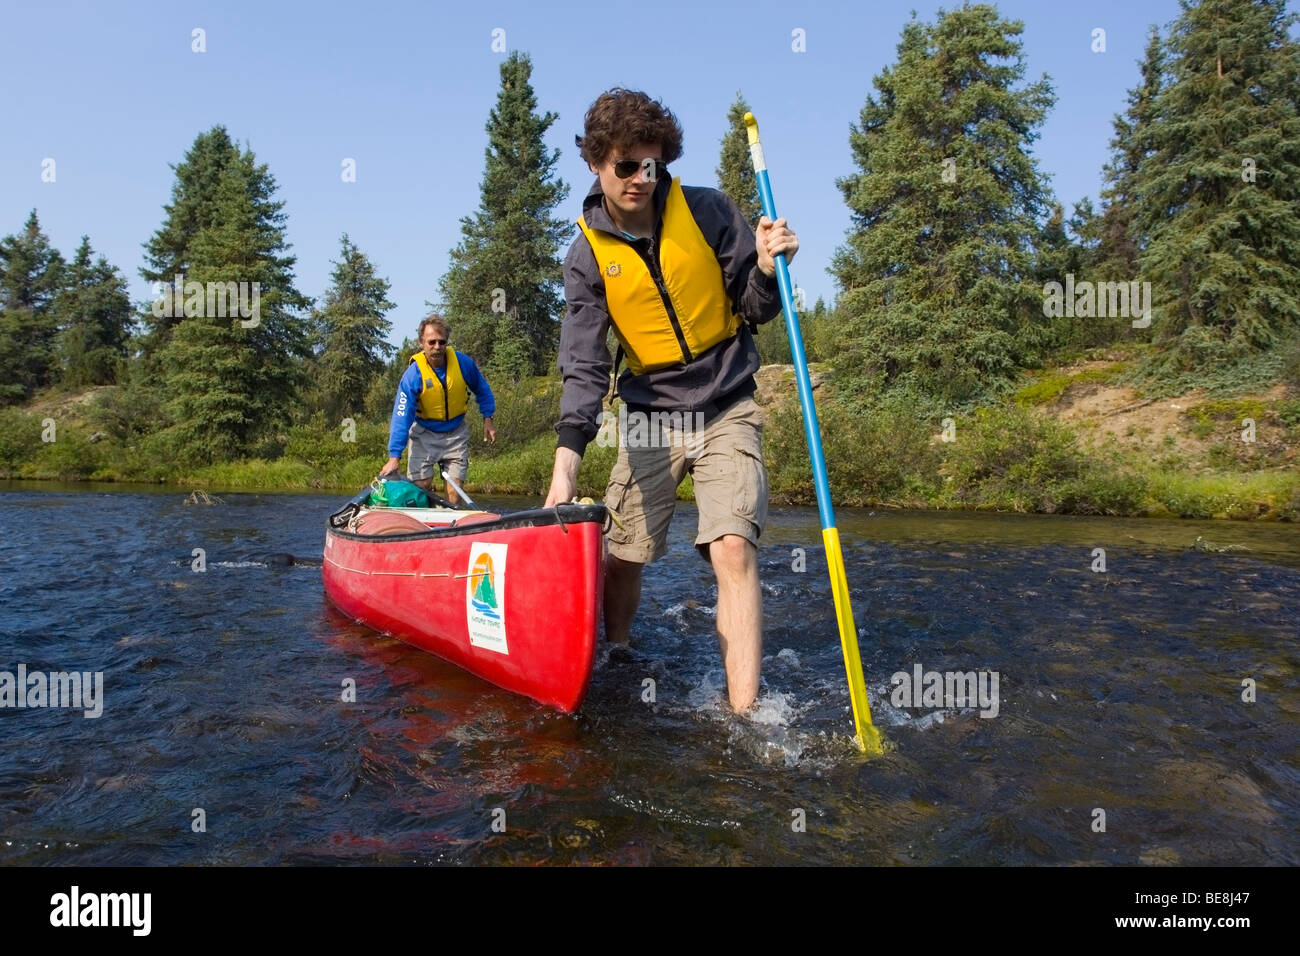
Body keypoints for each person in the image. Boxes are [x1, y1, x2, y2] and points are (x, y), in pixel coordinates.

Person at [543, 89, 799, 712]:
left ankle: (744, 717)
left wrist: (765, 270)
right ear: (597, 164)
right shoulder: (585, 258)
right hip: (652, 417)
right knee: (622, 556)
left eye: (650, 165)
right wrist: (565, 464)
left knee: (732, 545)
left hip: (727, 403)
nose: (639, 179)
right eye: (624, 166)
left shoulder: (709, 211)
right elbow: (584, 364)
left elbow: (755, 308)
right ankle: (620, 650)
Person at [383, 314, 496, 505]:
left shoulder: (463, 364)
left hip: (456, 434)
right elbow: (401, 416)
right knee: (420, 488)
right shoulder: (413, 375)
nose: (437, 347)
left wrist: (488, 418)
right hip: (423, 433)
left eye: (441, 342)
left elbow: (482, 389)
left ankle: (451, 529)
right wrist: (395, 456)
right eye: (431, 342)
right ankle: (423, 527)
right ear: (421, 342)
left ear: (447, 342)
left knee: (454, 493)